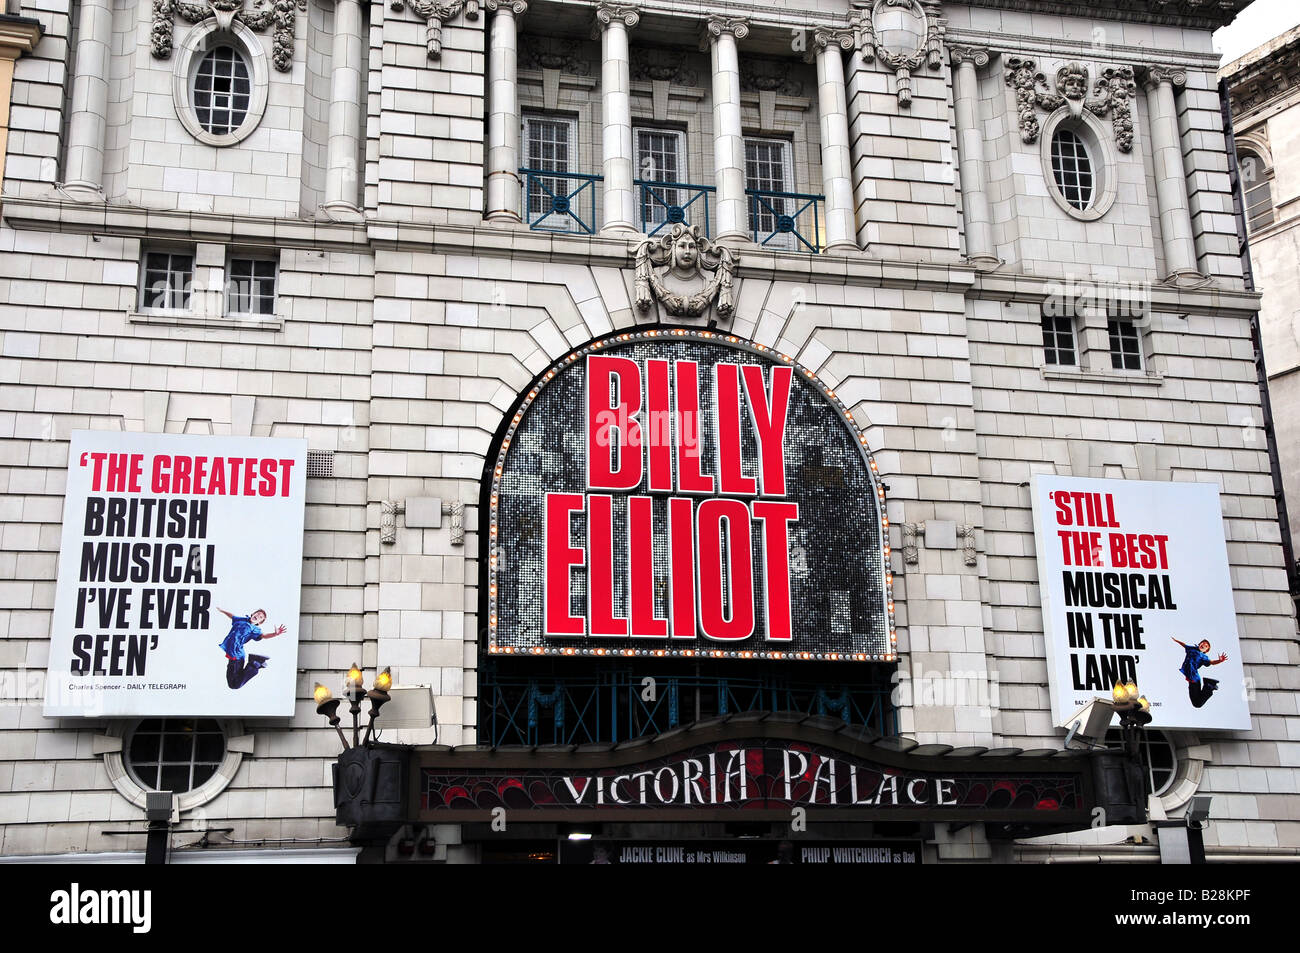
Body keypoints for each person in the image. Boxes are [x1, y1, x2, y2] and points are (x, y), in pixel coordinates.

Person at [218, 608, 286, 689]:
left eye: (260, 617)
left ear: (259, 623)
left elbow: (263, 636)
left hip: (236, 656)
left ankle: (254, 664)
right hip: (233, 654)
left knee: (234, 684)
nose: (257, 616)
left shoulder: (254, 629)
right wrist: (221, 610)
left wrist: (275, 634)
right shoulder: (242, 620)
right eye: (257, 614)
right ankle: (254, 664)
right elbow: (232, 616)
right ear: (252, 614)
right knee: (234, 681)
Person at [1172, 637, 1227, 708]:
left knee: (1197, 704)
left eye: (1206, 646)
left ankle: (1209, 686)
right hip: (1193, 680)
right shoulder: (1191, 649)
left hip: (1194, 679)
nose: (1204, 645)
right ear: (1199, 644)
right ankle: (1208, 685)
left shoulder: (1203, 656)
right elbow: (1184, 645)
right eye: (1203, 643)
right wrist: (1176, 641)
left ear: (1206, 651)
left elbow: (1211, 662)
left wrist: (1219, 661)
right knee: (1197, 701)